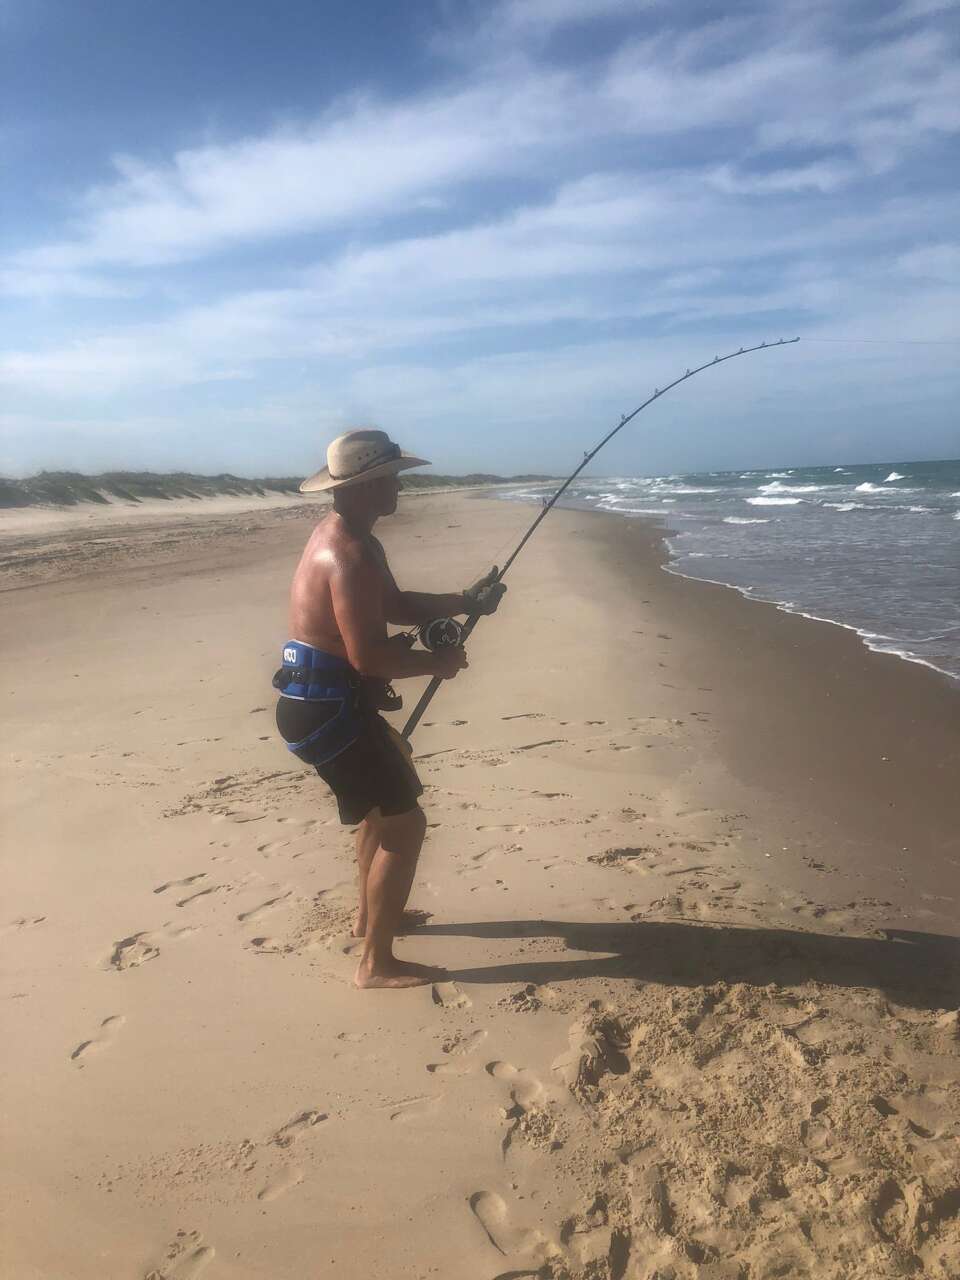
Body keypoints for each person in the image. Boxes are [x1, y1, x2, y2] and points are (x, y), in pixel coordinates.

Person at [274, 428, 506, 989]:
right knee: (405, 824)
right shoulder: (347, 554)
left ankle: (368, 919)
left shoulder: (350, 536)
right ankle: (375, 964)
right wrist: (438, 664)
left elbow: (395, 605)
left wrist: (463, 601)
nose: (399, 486)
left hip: (319, 705)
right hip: (330, 714)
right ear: (368, 484)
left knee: (383, 814)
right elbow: (369, 657)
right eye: (392, 477)